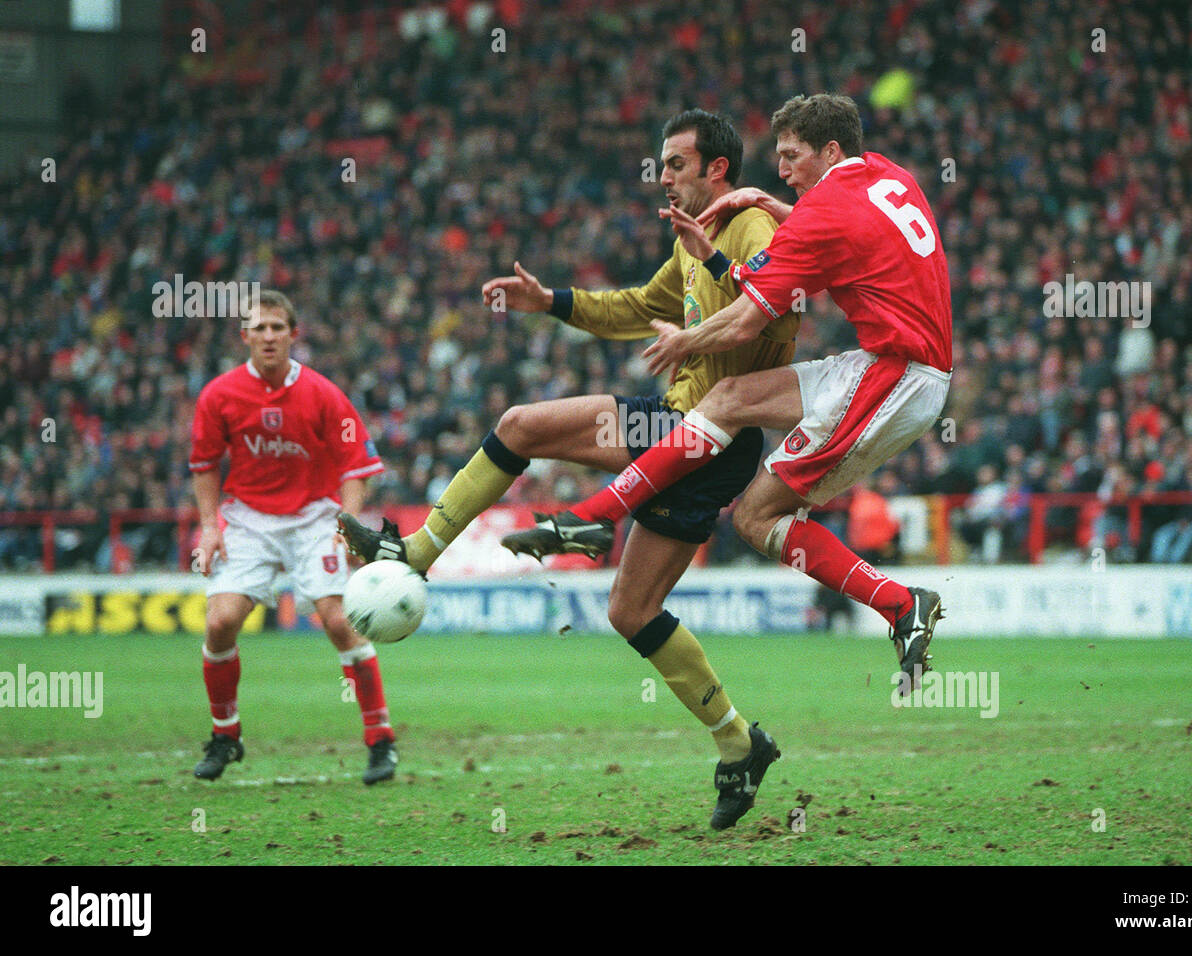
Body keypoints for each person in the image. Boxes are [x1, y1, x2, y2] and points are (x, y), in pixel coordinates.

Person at [340, 110, 799, 829]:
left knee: (521, 425)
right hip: (677, 422)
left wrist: (711, 258)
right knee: (630, 612)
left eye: (676, 163)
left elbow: (771, 314)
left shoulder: (750, 229)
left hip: (713, 432)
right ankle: (742, 744)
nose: (664, 176)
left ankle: (419, 551)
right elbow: (639, 308)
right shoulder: (690, 237)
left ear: (717, 168)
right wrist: (547, 300)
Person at [505, 93, 953, 696]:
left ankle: (900, 603)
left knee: (756, 516)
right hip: (888, 362)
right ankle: (593, 518)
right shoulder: (887, 175)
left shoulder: (820, 213)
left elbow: (745, 320)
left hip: (896, 378)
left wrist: (687, 340)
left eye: (793, 157)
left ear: (830, 150)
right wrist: (765, 209)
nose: (784, 169)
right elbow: (837, 236)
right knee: (731, 396)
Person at [189, 290, 398, 784]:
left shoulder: (324, 393)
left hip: (313, 518)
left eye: (277, 327)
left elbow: (357, 467)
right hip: (248, 520)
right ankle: (225, 735)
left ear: (293, 334)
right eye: (258, 328)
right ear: (244, 336)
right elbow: (203, 466)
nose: (268, 336)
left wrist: (345, 529)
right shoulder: (218, 395)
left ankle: (380, 740)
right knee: (219, 624)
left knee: (339, 623)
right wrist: (209, 527)